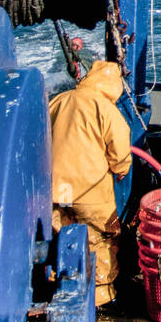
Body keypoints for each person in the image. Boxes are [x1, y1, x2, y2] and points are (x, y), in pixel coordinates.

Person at [49, 60, 131, 307]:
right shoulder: (105, 108)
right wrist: (121, 169)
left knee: (63, 236)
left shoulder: (59, 100)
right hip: (90, 191)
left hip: (57, 190)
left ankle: (62, 287)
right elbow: (119, 148)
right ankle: (102, 297)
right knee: (102, 239)